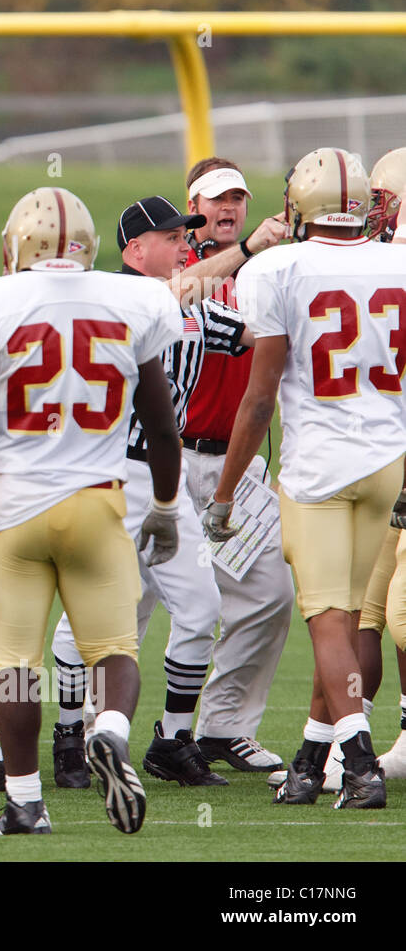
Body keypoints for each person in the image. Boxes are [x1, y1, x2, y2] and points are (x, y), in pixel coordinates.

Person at [0, 186, 184, 834]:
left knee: (17, 667)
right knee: (115, 650)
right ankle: (112, 730)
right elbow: (161, 428)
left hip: (14, 511)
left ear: (16, 245)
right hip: (98, 504)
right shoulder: (135, 301)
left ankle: (24, 803)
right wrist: (164, 506)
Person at [45, 195, 285, 791]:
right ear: (134, 249)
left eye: (186, 235)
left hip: (163, 481)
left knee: (201, 609)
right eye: (173, 235)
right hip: (104, 476)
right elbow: (161, 298)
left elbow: (256, 337)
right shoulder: (108, 294)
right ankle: (69, 738)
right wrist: (250, 247)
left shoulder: (191, 305)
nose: (184, 243)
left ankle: (173, 741)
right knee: (88, 618)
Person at [204, 147, 401, 810]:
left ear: (298, 205)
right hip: (386, 464)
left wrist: (226, 492)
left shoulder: (279, 268)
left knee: (325, 623)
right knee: (343, 623)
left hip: (318, 469)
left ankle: (361, 762)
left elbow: (259, 402)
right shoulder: (398, 261)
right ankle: (311, 762)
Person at [175, 160, 294, 774]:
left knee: (270, 594)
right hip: (165, 462)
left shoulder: (272, 268)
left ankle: (224, 727)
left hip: (236, 464)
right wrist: (247, 248)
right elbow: (175, 291)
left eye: (238, 199)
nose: (228, 208)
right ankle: (92, 728)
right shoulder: (173, 257)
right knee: (134, 602)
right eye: (216, 199)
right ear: (192, 203)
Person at [360, 147, 406, 781]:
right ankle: (357, 742)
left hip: (379, 447)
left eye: (376, 199)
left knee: (392, 609)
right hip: (377, 449)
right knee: (370, 606)